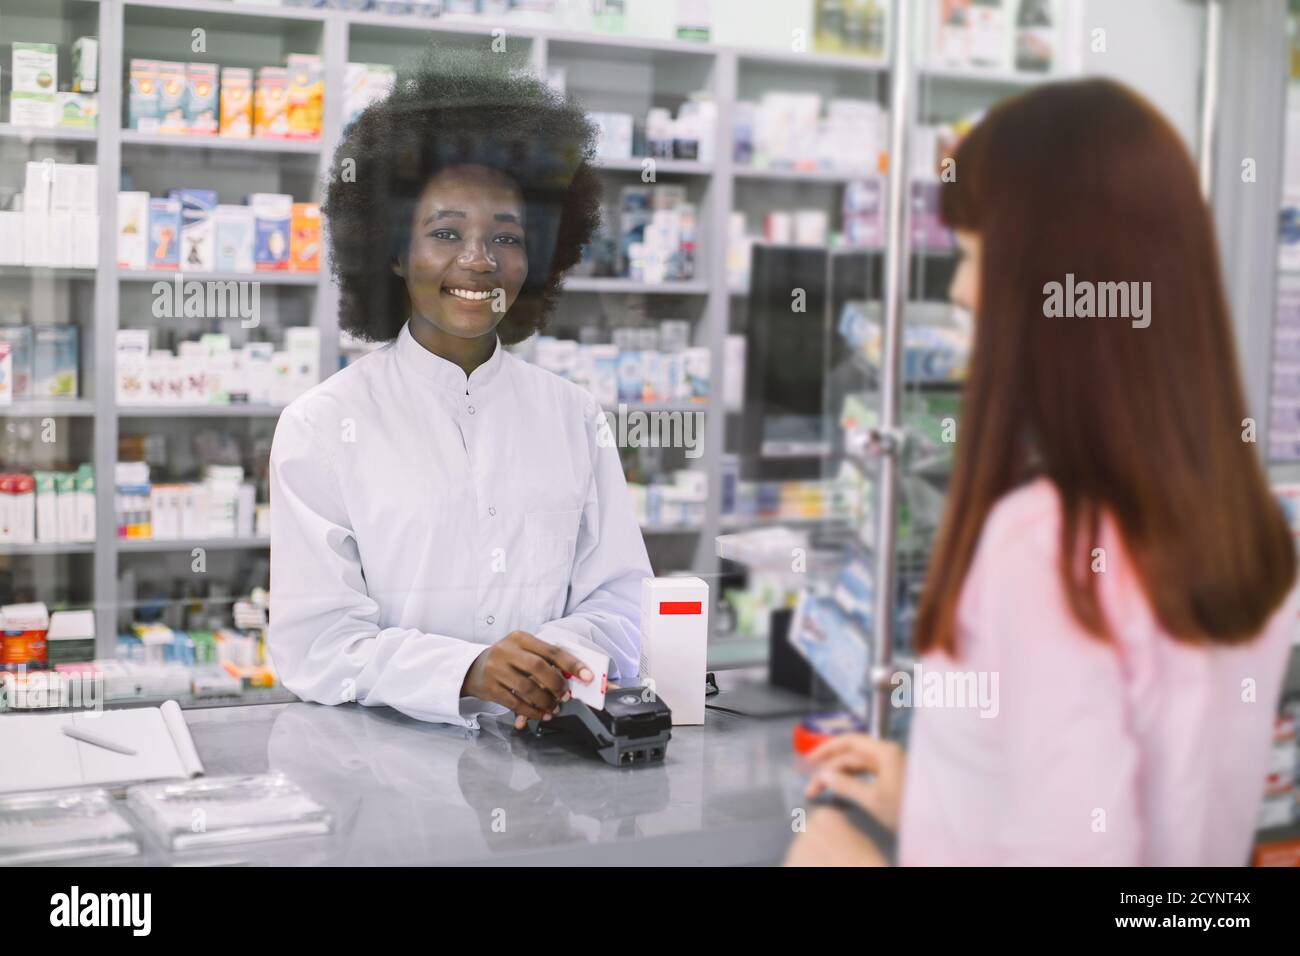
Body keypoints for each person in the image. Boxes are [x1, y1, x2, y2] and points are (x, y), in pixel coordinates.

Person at [787, 78, 1299, 866]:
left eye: (972, 259)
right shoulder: (1241, 529)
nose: (958, 292)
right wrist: (934, 801)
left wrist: (849, 857)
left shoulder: (1047, 547)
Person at [268, 53, 651, 730]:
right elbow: (316, 646)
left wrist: (550, 662)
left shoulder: (573, 416)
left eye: (506, 237)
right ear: (391, 251)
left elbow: (622, 602)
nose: (478, 260)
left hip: (549, 769)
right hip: (387, 779)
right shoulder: (323, 424)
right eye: (445, 233)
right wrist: (466, 671)